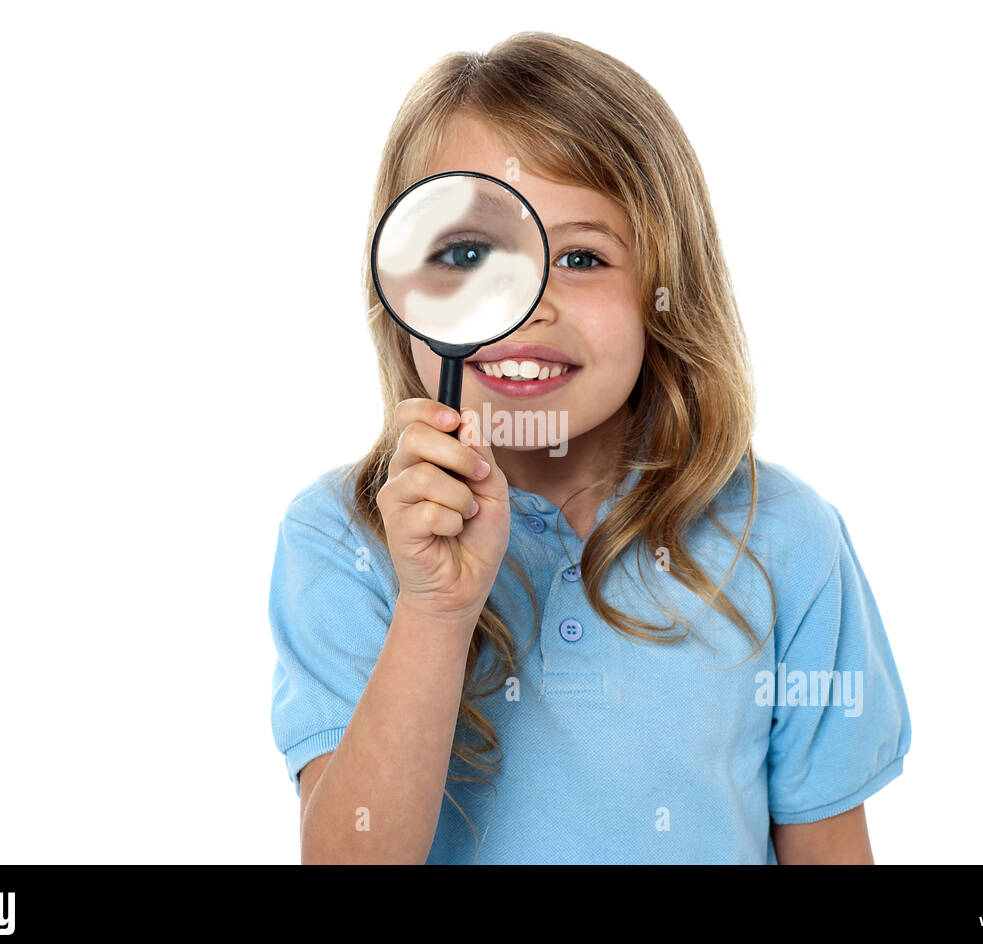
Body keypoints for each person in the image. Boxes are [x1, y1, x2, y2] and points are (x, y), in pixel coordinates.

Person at [268, 31, 911, 864]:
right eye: (467, 253)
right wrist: (435, 609)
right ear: (400, 293)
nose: (525, 303)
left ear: (666, 292)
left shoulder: (784, 537)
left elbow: (829, 846)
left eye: (580, 256)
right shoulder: (344, 538)